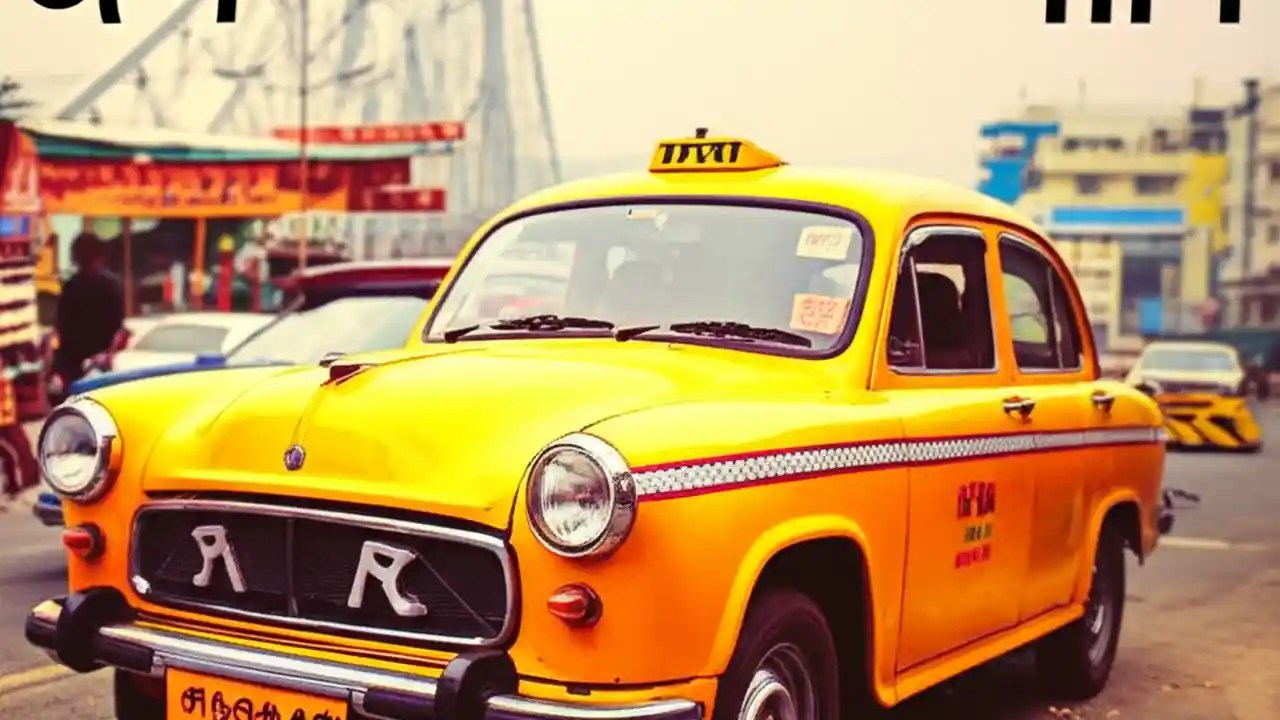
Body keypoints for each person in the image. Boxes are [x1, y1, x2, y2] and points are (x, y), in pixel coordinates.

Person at [51, 232, 126, 392]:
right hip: (96, 365)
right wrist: (107, 354)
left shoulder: (71, 287)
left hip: (76, 366)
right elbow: (120, 328)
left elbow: (61, 327)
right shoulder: (110, 286)